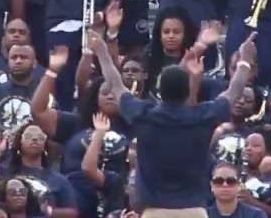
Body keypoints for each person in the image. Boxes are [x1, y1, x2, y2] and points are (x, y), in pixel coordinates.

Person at [102, 20, 255, 218]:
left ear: (160, 91)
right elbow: (234, 91)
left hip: (154, 212)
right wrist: (245, 61)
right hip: (195, 212)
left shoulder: (144, 115)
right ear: (187, 92)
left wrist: (101, 51)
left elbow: (115, 85)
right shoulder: (203, 115)